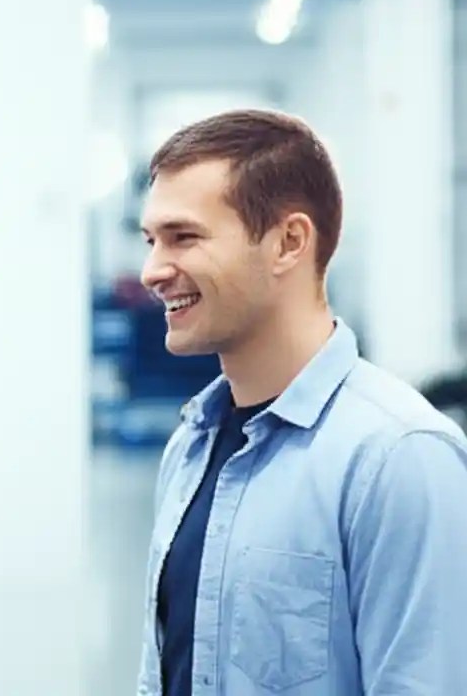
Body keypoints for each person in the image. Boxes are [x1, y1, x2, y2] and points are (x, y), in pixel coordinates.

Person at [134, 108, 467, 695]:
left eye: (183, 237)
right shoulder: (190, 445)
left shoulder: (400, 458)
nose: (152, 271)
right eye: (151, 241)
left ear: (289, 242)